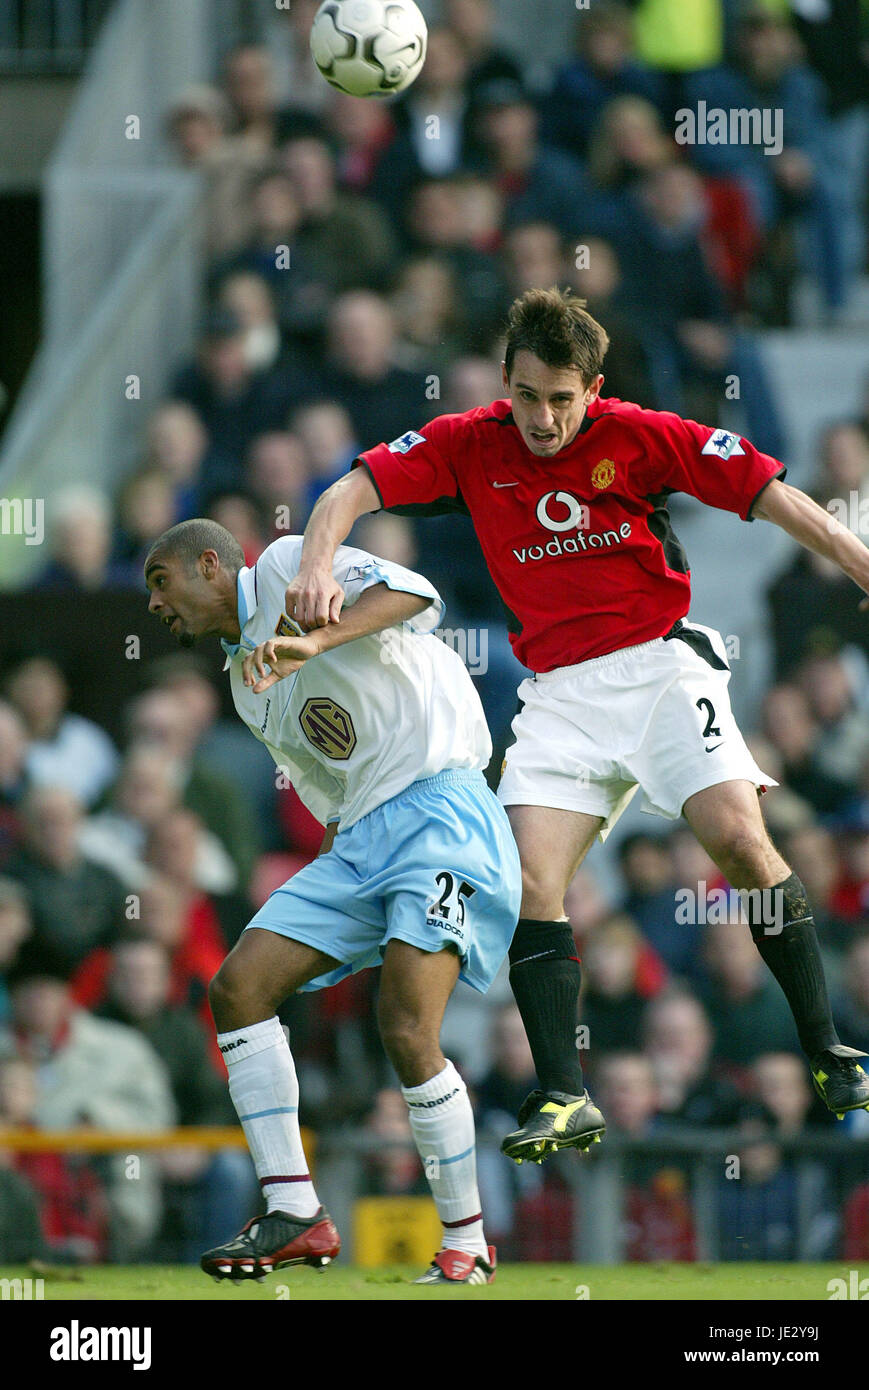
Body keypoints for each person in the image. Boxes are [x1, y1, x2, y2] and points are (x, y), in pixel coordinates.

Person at [290, 286, 869, 1164]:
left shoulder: (642, 434)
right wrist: (315, 565)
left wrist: (859, 561)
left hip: (660, 668)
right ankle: (564, 1093)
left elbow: (767, 492)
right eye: (527, 396)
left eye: (561, 399)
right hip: (559, 695)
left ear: (592, 389)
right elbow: (349, 488)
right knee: (528, 880)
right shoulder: (468, 443)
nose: (543, 419)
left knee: (740, 844)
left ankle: (825, 1048)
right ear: (505, 383)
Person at [143, 518, 521, 1285]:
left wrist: (314, 640)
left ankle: (466, 1244)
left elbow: (413, 593)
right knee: (238, 988)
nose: (154, 604)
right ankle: (294, 1211)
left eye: (160, 581)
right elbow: (331, 787)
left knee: (406, 1027)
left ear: (210, 564)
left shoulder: (289, 566)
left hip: (439, 810)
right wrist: (320, 897)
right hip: (358, 840)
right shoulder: (243, 686)